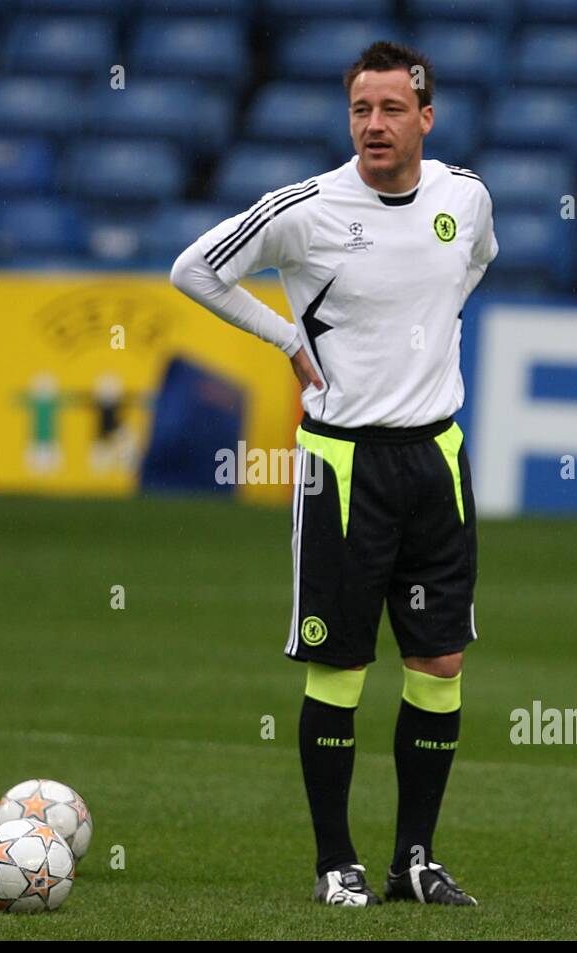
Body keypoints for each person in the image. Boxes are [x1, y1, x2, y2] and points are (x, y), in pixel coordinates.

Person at [170, 41, 498, 906]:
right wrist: (285, 336)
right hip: (344, 467)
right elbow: (193, 268)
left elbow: (473, 262)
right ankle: (335, 863)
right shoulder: (306, 209)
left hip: (439, 460)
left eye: (392, 109)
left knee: (439, 662)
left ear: (426, 117)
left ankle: (415, 861)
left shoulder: (464, 198)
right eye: (361, 110)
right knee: (339, 671)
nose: (375, 125)